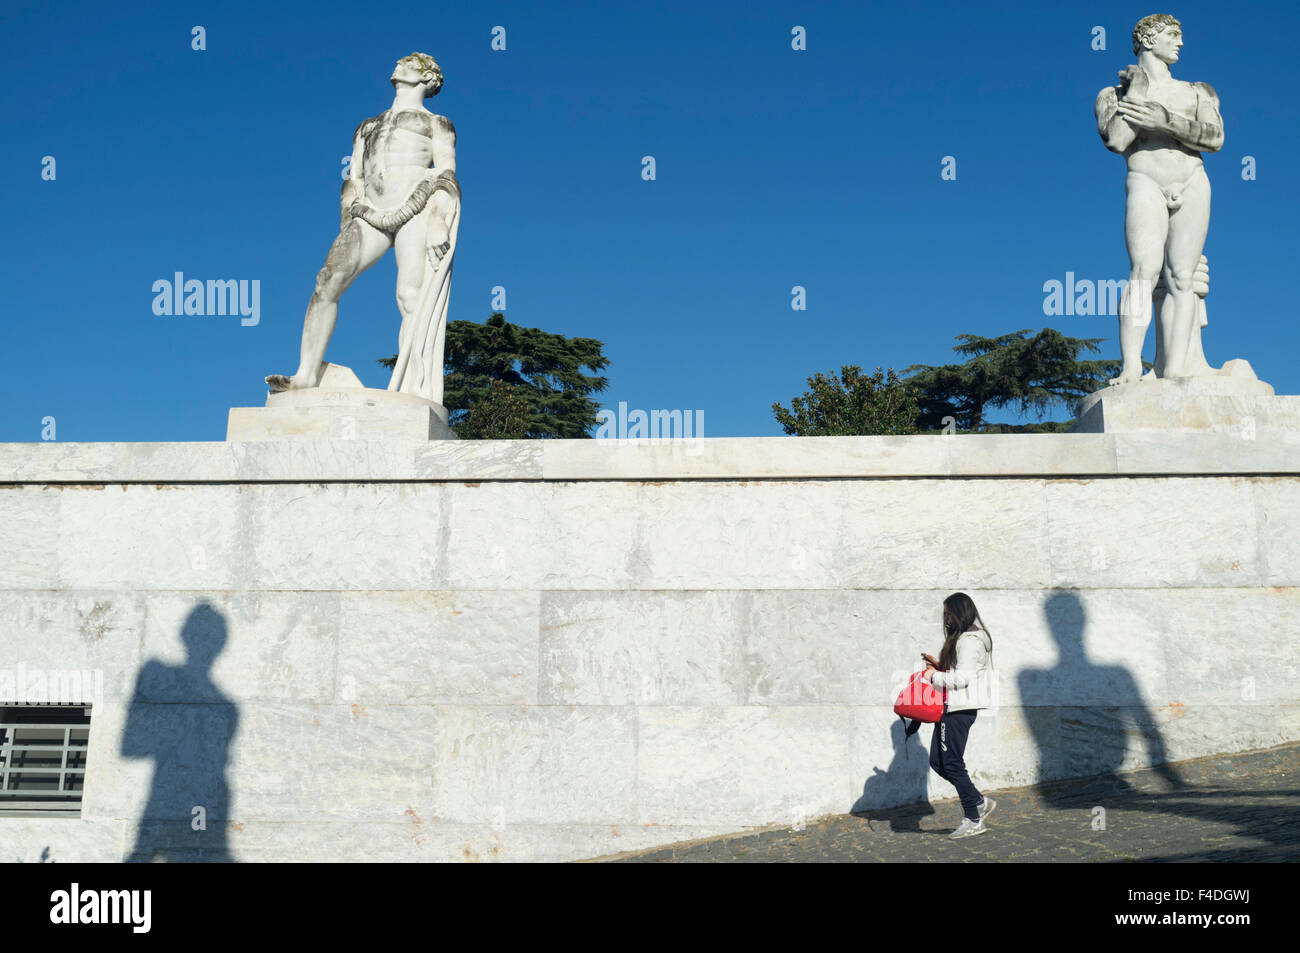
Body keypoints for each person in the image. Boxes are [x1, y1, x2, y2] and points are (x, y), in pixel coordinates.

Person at [267, 52, 460, 403]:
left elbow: (446, 174)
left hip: (415, 206)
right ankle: (306, 374)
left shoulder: (438, 123)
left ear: (425, 77)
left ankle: (416, 391)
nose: (398, 65)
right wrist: (348, 212)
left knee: (410, 296)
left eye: (409, 63)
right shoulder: (367, 126)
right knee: (328, 279)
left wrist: (438, 220)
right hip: (368, 210)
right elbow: (353, 176)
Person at [1094, 13, 1223, 383]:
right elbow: (1117, 140)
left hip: (1192, 179)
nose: (1180, 43)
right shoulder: (1112, 95)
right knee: (1143, 273)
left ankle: (1176, 370)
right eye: (1173, 35)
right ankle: (1131, 367)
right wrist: (1136, 92)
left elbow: (1215, 139)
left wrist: (1164, 120)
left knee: (1182, 278)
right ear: (1148, 39)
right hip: (1146, 179)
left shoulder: (1198, 90)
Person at [923, 592, 996, 839]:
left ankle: (973, 818)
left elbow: (962, 679)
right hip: (952, 708)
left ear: (959, 612)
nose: (946, 619)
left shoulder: (970, 640)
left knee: (951, 763)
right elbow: (963, 672)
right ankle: (977, 800)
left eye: (948, 613)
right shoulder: (966, 639)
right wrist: (940, 667)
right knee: (938, 761)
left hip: (958, 709)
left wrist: (932, 677)